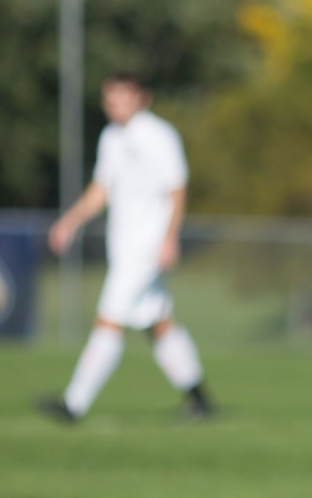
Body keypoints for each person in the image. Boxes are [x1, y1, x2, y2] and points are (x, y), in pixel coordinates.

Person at [40, 73, 212, 423]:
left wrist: (169, 238)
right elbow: (101, 189)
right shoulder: (111, 137)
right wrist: (70, 221)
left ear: (142, 98)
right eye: (110, 99)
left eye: (123, 98)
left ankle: (73, 404)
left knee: (108, 319)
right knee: (157, 322)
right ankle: (200, 401)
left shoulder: (159, 135)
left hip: (147, 248)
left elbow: (177, 189)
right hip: (123, 248)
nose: (115, 105)